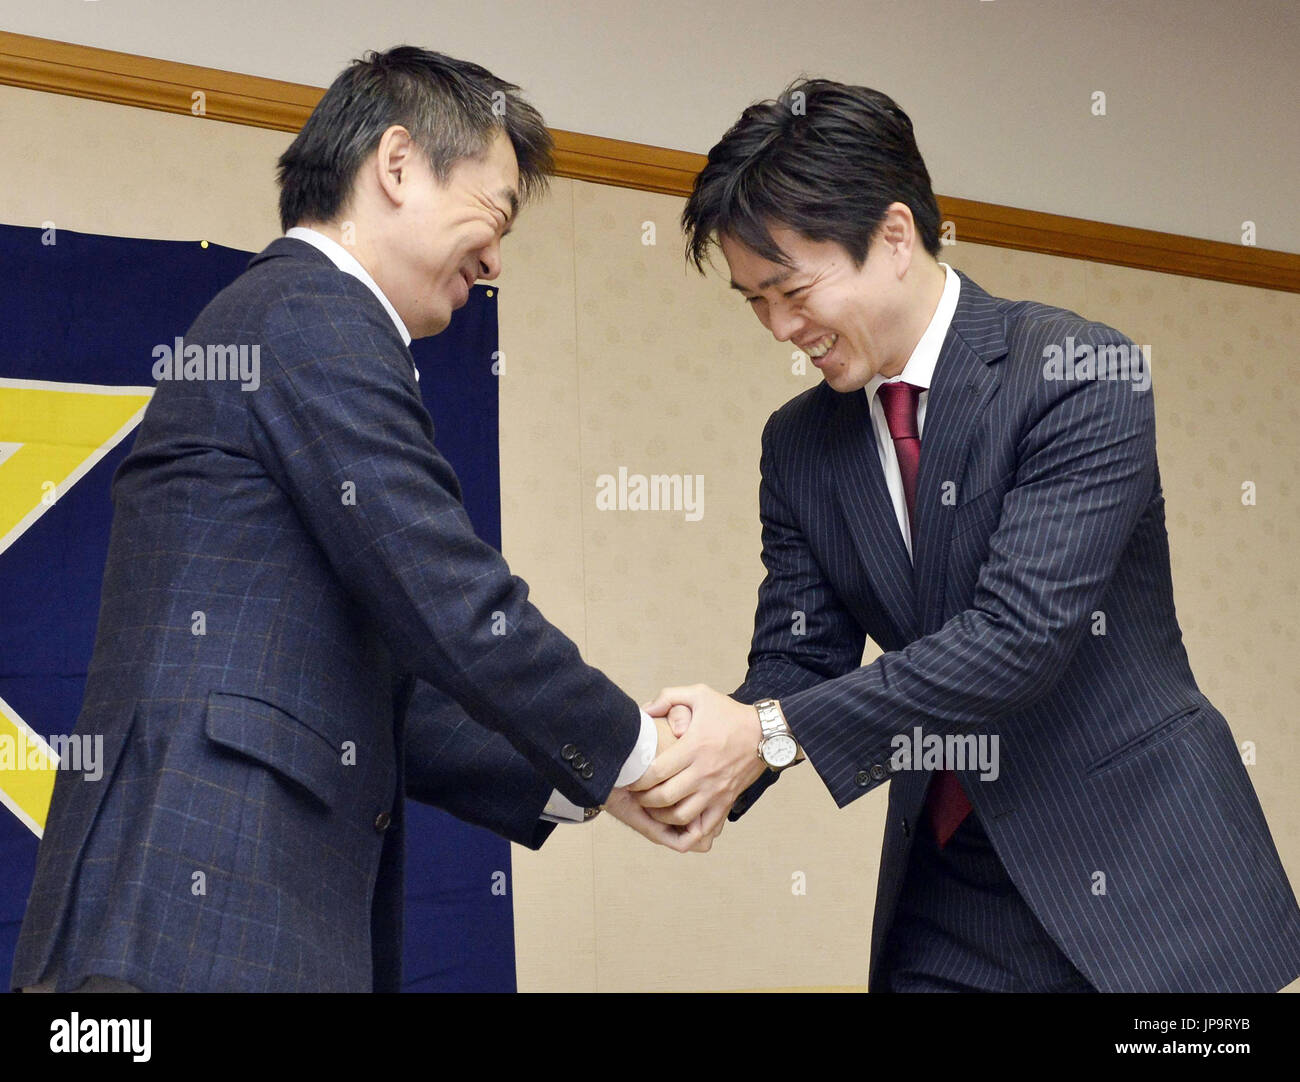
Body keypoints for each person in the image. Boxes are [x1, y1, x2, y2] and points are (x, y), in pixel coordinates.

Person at [13, 45, 705, 995]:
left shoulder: (294, 319)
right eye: (497, 211)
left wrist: (598, 779)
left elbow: (388, 687)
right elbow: (449, 598)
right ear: (395, 164)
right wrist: (643, 747)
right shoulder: (313, 313)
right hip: (190, 919)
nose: (497, 257)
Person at [632, 78, 1300, 993]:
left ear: (895, 237)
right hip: (948, 892)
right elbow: (800, 658)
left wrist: (769, 733)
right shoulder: (798, 444)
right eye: (754, 301)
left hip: (1149, 882)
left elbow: (1016, 640)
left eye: (790, 289)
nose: (782, 330)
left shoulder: (1076, 373)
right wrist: (691, 764)